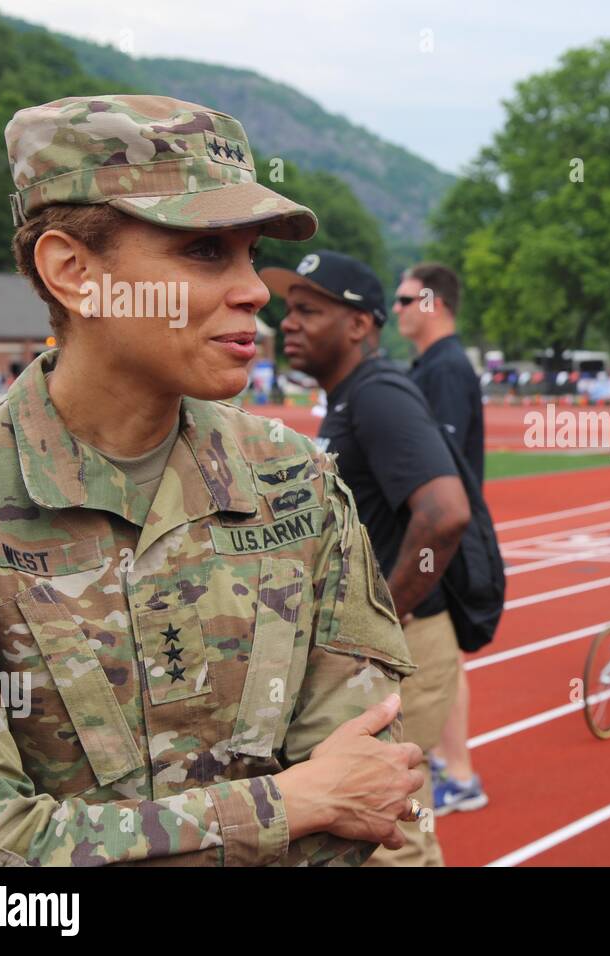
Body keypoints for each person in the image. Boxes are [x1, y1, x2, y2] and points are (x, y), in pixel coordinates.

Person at [0, 95, 425, 866]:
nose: (256, 290)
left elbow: (377, 800)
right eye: (204, 251)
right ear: (74, 272)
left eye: (250, 253)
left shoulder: (293, 480)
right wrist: (286, 807)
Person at [261, 250, 470, 866]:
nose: (288, 322)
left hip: (403, 643)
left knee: (385, 834)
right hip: (382, 647)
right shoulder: (351, 396)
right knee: (386, 820)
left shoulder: (378, 395)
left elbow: (445, 512)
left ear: (358, 324)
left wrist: (380, 619)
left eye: (308, 310)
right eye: (289, 309)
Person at [393, 262, 488, 816]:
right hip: (436, 535)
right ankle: (453, 768)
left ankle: (460, 772)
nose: (397, 309)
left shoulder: (446, 368)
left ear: (434, 303)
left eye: (406, 300)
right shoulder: (433, 365)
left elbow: (439, 464)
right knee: (441, 654)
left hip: (443, 537)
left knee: (442, 654)